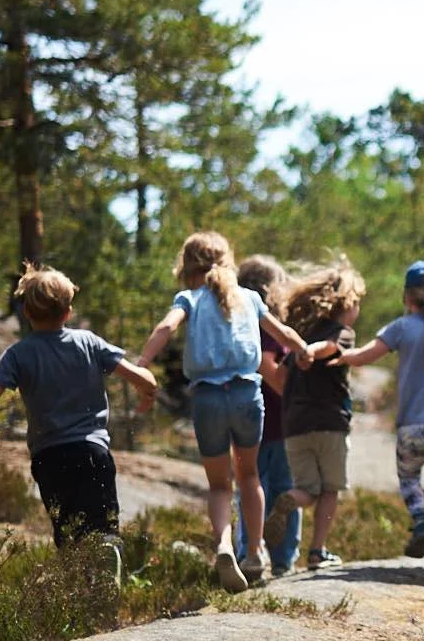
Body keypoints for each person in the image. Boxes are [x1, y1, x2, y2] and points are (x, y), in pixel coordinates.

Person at [136, 231, 314, 594]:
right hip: (248, 395)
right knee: (250, 477)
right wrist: (304, 351)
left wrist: (141, 365)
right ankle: (253, 554)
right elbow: (282, 333)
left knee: (220, 485)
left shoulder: (189, 298)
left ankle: (223, 546)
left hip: (208, 399)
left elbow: (165, 327)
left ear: (186, 269)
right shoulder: (249, 298)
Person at [0, 264, 158, 547]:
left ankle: (79, 581)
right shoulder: (88, 343)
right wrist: (148, 389)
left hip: (50, 460)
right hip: (93, 453)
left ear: (27, 313)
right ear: (68, 312)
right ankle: (104, 565)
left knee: (68, 536)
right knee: (103, 529)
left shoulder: (18, 355)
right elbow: (140, 378)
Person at [332, 260, 424, 583]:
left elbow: (364, 355)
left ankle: (420, 520)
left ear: (407, 298)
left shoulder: (401, 327)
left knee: (409, 479)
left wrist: (336, 356)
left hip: (411, 427)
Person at [260, 264, 363, 571]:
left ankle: (291, 498)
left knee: (307, 488)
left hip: (294, 426)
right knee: (329, 489)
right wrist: (310, 351)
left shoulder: (298, 335)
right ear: (347, 304)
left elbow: (282, 372)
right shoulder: (341, 334)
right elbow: (329, 347)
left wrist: (302, 351)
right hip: (330, 422)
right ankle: (317, 551)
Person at [235, 254, 301, 576]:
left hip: (248, 420)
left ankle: (250, 552)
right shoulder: (268, 327)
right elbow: (270, 370)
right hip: (275, 422)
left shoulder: (237, 322)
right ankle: (281, 557)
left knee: (251, 486)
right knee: (279, 487)